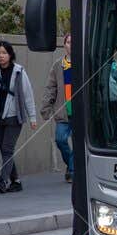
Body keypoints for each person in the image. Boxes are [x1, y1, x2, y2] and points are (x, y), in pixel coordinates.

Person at [0, 40, 38, 193]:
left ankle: (3, 181)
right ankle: (16, 181)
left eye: (4, 53)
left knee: (7, 149)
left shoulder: (19, 72)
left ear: (10, 55)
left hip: (14, 117)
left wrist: (32, 117)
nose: (1, 56)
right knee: (5, 151)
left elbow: (28, 96)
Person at [43, 31, 75, 184]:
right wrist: (46, 107)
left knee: (79, 143)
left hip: (80, 113)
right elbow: (51, 88)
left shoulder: (84, 62)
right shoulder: (58, 65)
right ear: (64, 45)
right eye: (68, 42)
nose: (71, 45)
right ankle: (71, 164)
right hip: (63, 112)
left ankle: (73, 171)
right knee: (60, 140)